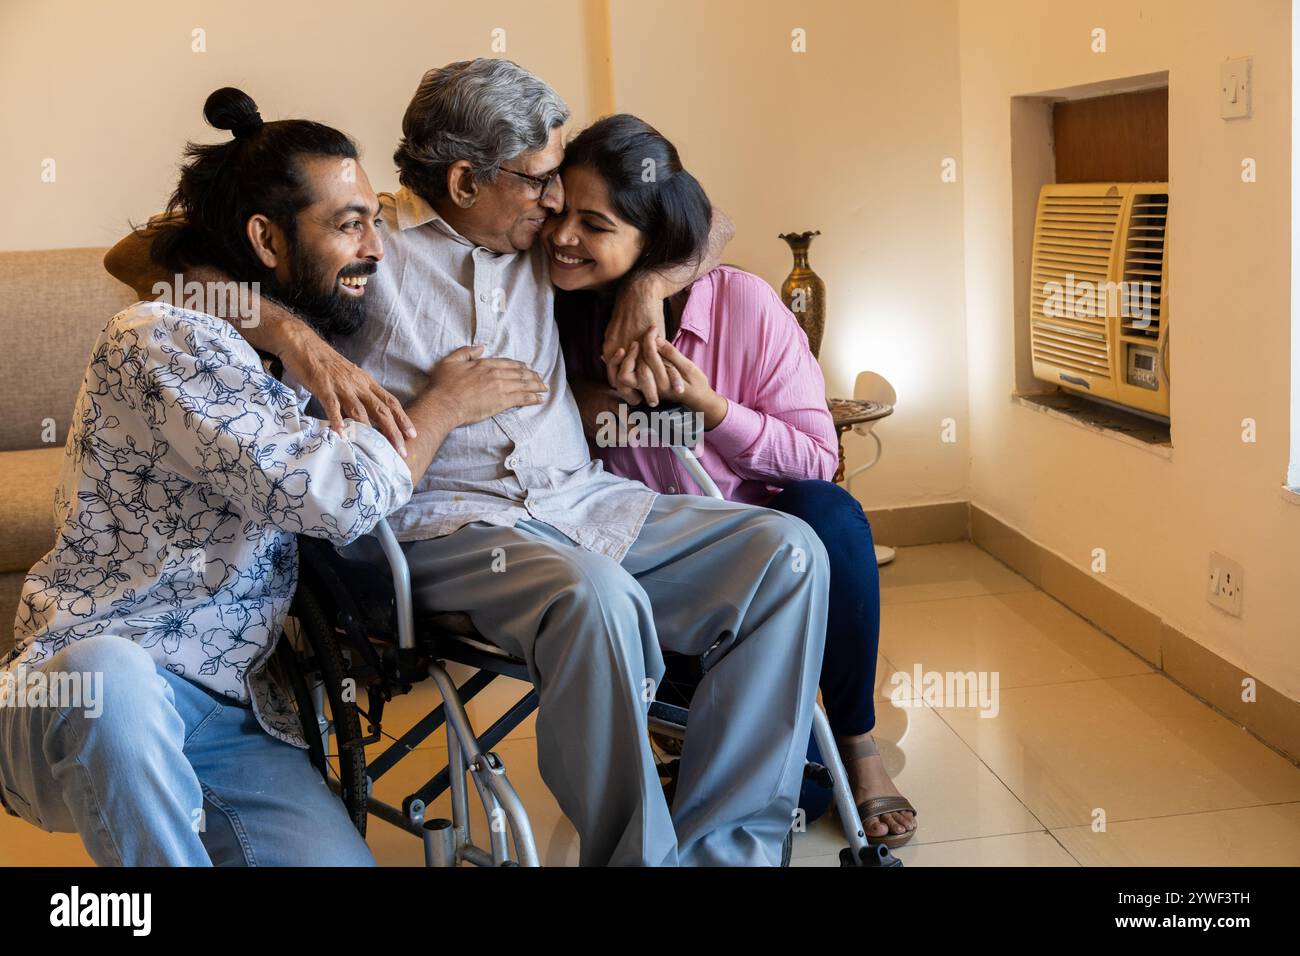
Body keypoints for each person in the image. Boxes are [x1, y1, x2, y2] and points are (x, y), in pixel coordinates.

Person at [103, 61, 830, 867]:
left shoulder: (545, 246)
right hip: (437, 527)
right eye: (541, 181)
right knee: (594, 597)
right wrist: (293, 336)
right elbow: (138, 259)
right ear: (463, 180)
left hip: (580, 500)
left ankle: (727, 854)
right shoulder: (363, 239)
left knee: (788, 554)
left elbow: (704, 217)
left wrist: (648, 285)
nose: (559, 206)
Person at [0, 88, 549, 865]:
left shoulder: (310, 347)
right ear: (264, 238)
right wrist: (444, 406)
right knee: (112, 676)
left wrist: (286, 329)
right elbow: (337, 496)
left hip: (232, 716)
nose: (377, 248)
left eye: (374, 221)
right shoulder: (161, 337)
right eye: (348, 224)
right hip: (79, 689)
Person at [552, 114, 918, 846]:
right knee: (792, 788)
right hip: (646, 555)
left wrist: (713, 412)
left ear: (651, 243)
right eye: (557, 213)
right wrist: (585, 405)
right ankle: (705, 735)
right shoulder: (549, 310)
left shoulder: (744, 304)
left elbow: (817, 457)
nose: (562, 237)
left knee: (831, 515)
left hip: (761, 546)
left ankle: (858, 743)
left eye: (592, 224)